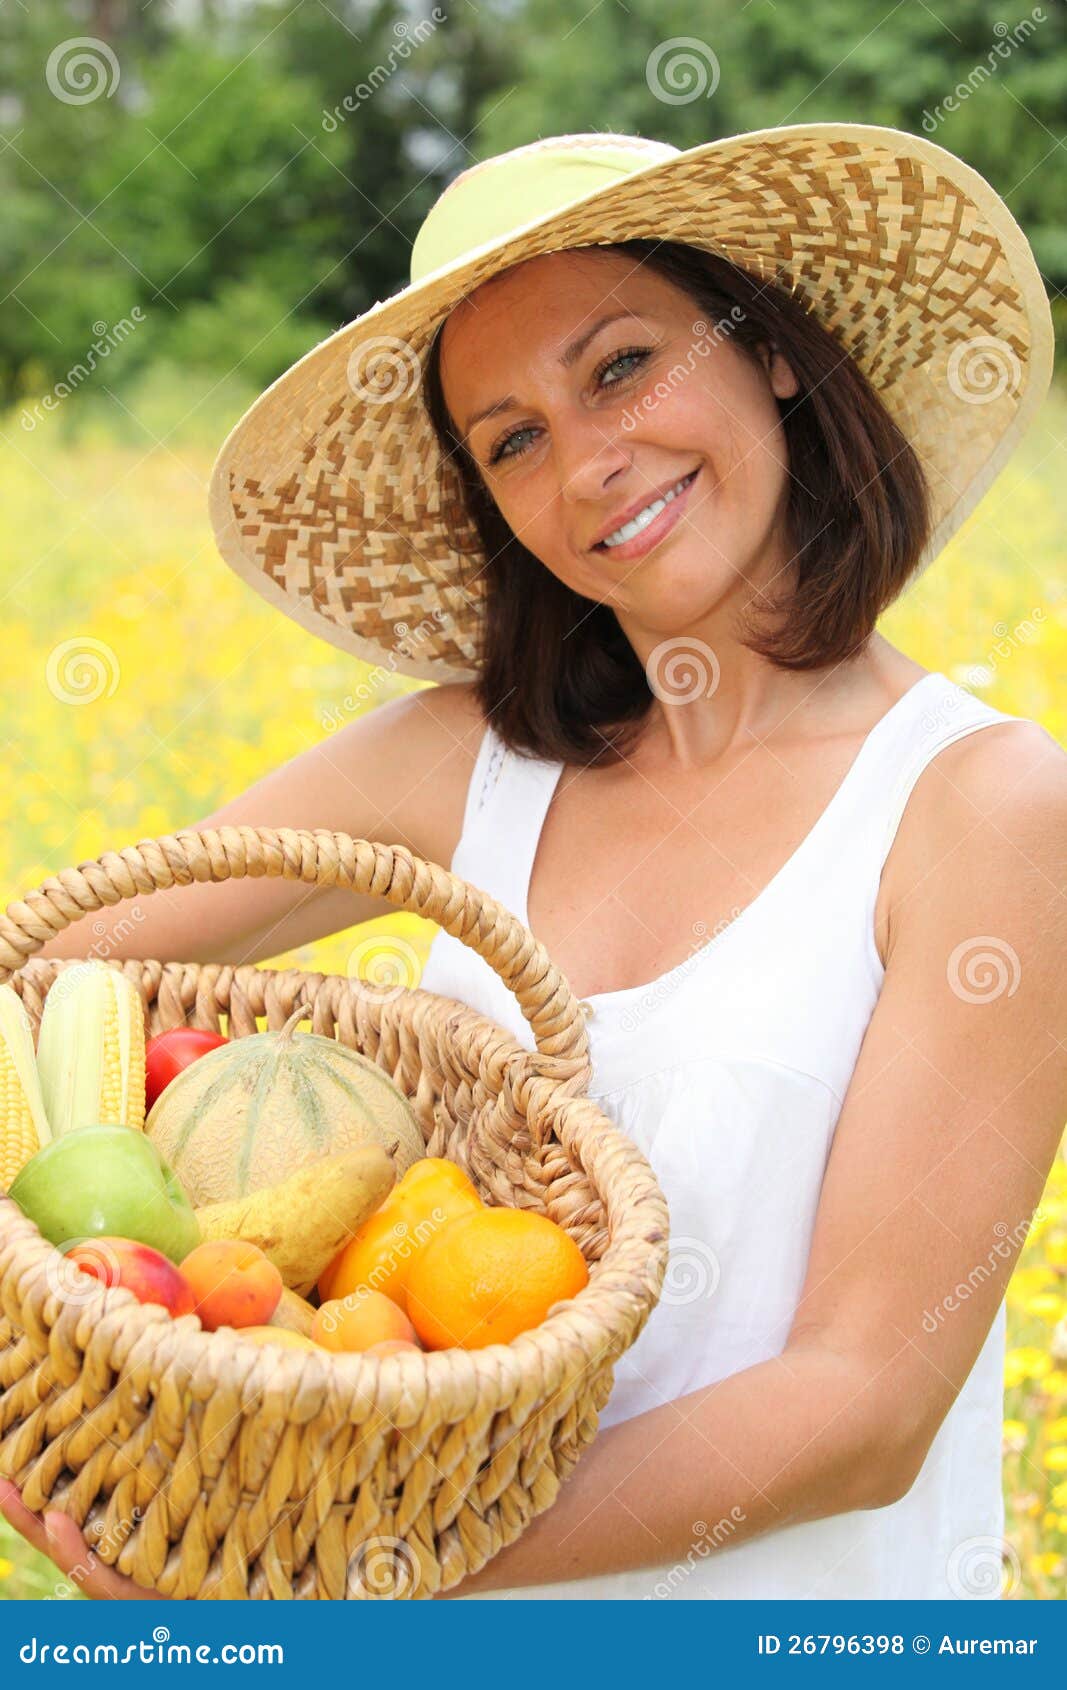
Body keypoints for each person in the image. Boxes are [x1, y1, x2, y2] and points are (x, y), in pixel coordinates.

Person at [3, 126, 1065, 1602]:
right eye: (511, 439)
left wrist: (348, 1577)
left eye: (621, 365)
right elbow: (43, 965)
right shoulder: (466, 758)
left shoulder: (981, 808)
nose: (586, 462)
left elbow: (864, 1404)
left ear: (768, 349)